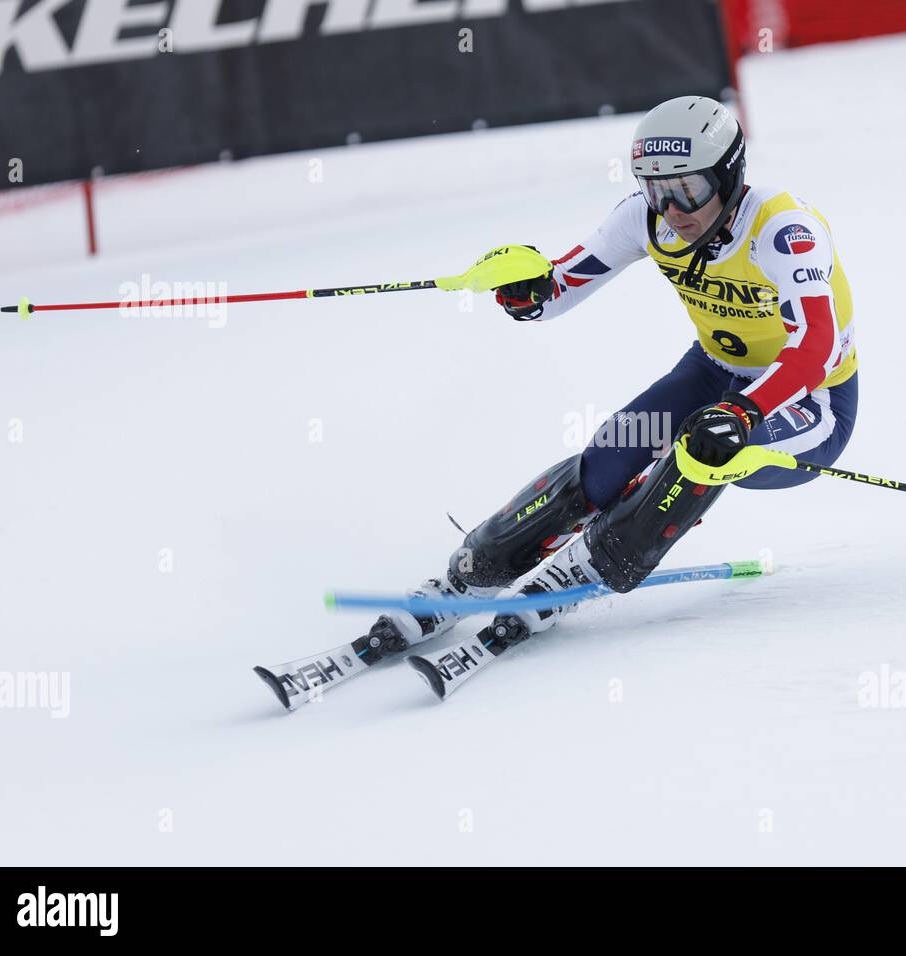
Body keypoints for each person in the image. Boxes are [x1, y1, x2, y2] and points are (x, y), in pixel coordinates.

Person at [354, 94, 858, 662]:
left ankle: (590, 566)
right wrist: (527, 289)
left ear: (729, 174)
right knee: (609, 458)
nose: (672, 209)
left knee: (704, 450)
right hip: (715, 371)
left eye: (688, 189)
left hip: (812, 401)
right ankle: (474, 569)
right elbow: (560, 287)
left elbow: (815, 345)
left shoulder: (784, 229)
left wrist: (745, 411)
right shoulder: (643, 220)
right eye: (656, 189)